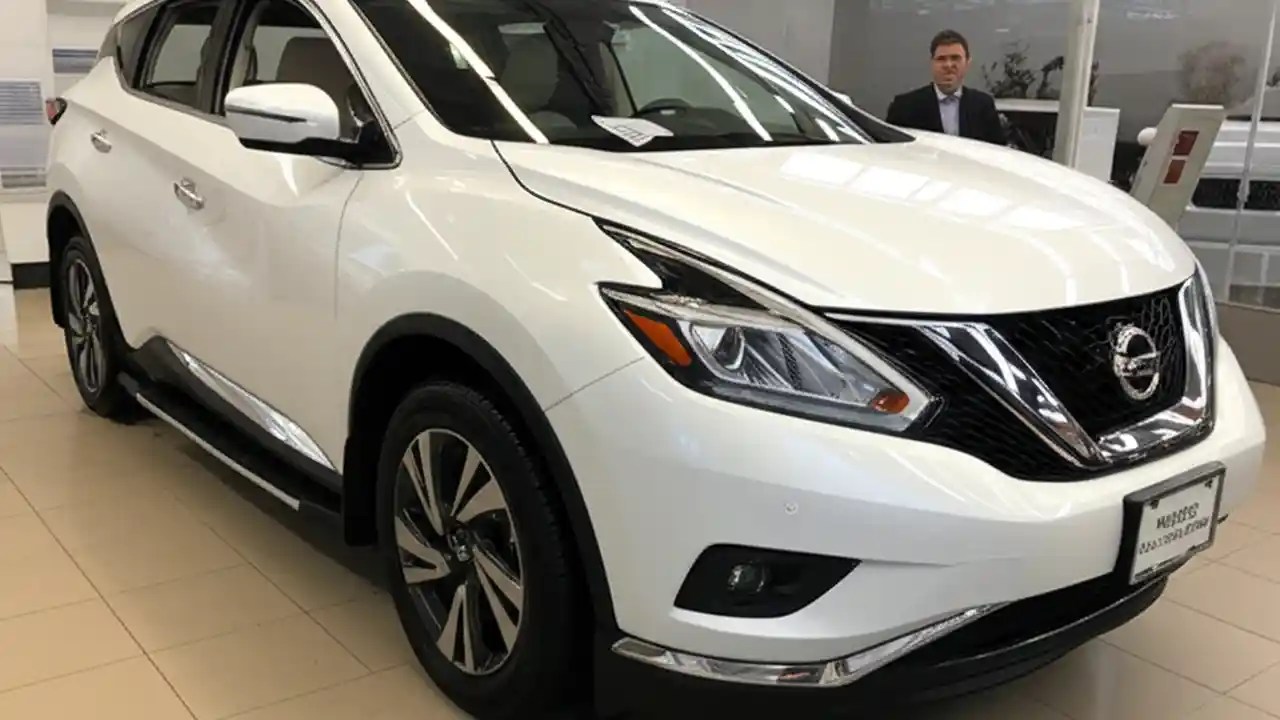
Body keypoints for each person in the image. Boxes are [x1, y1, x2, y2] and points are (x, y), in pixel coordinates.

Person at [886, 29, 1006, 145]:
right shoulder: (904, 107)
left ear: (967, 63)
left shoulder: (983, 106)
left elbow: (996, 152)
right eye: (941, 59)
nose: (948, 65)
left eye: (955, 58)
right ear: (932, 63)